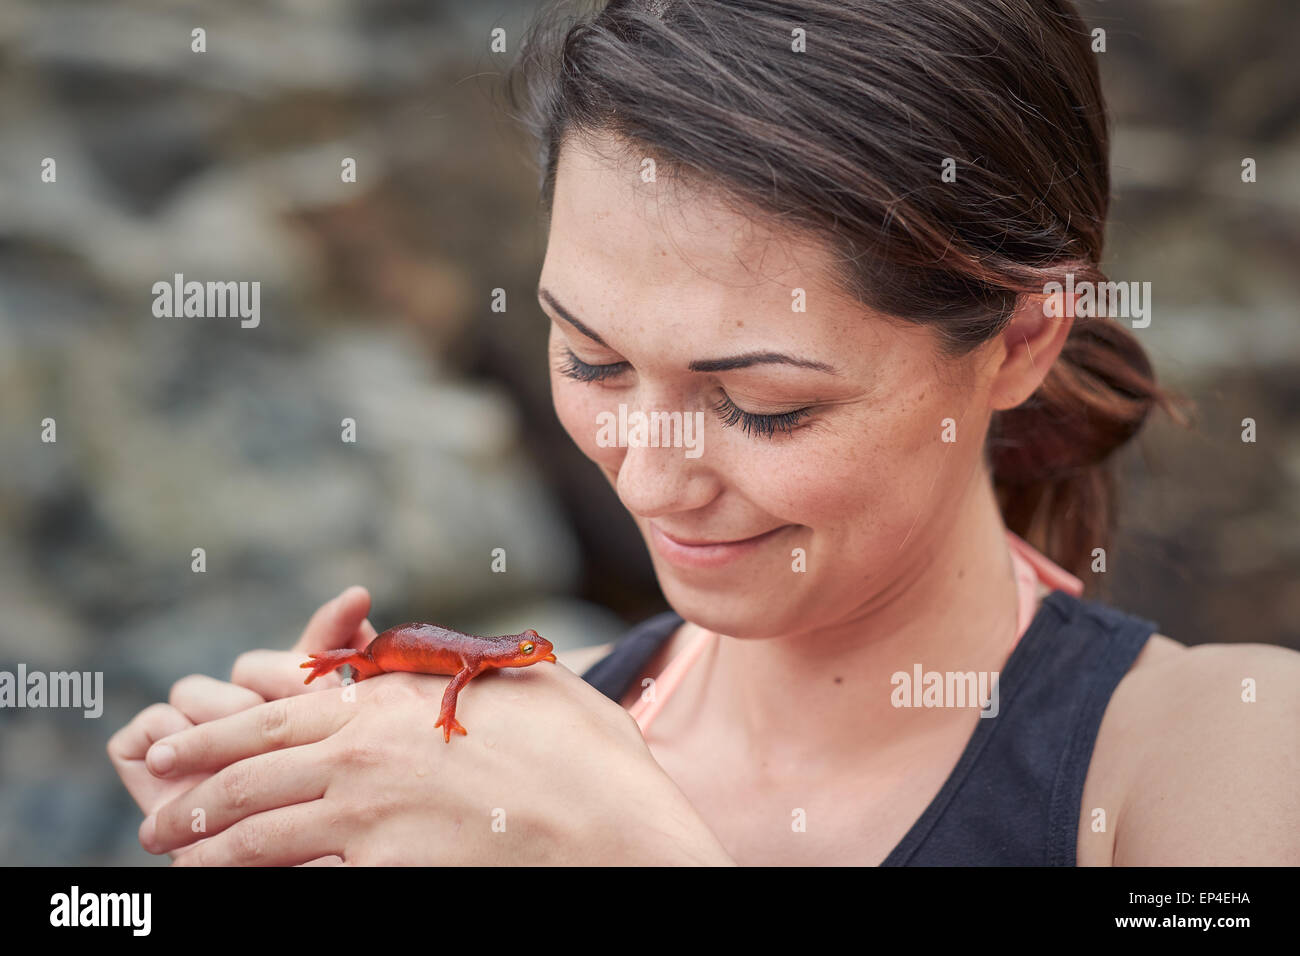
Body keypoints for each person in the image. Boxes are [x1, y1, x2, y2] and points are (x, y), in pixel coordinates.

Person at [109, 0, 1300, 865]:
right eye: (589, 357)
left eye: (761, 404)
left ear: (1021, 341)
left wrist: (626, 848)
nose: (648, 470)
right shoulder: (481, 758)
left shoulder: (1217, 755)